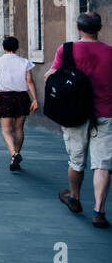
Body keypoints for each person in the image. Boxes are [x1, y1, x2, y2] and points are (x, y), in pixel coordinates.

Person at [46, 12, 112, 229]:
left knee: (77, 161)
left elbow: (50, 77)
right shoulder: (110, 52)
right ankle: (99, 211)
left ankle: (74, 198)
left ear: (78, 27)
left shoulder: (66, 50)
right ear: (99, 28)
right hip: (105, 113)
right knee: (102, 164)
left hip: (75, 114)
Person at [0, 36, 38, 171]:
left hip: (5, 97)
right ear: (17, 47)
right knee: (19, 129)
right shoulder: (25, 62)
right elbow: (30, 81)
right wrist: (35, 99)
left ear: (3, 48)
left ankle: (14, 154)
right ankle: (15, 156)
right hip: (22, 97)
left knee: (6, 129)